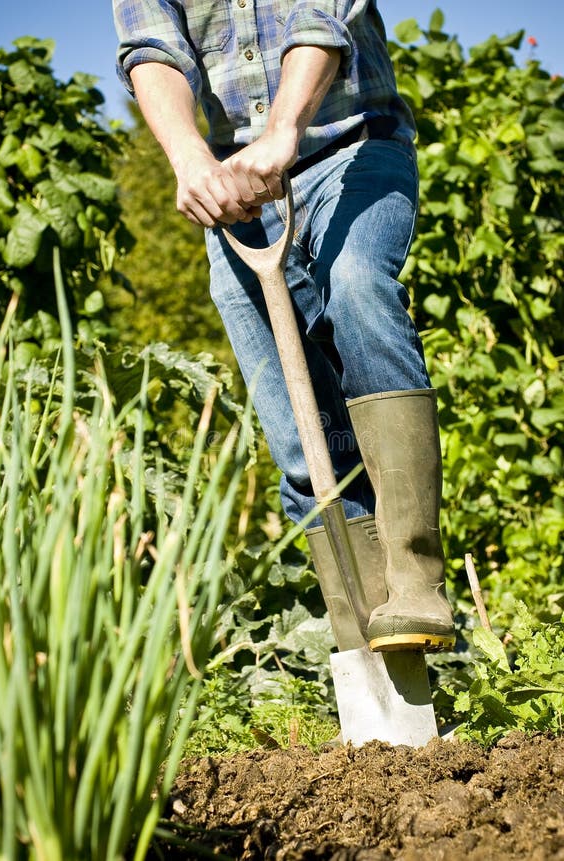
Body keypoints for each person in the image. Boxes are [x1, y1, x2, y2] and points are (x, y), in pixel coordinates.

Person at [112, 0, 455, 654]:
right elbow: (152, 47)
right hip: (234, 191)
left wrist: (281, 129)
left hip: (352, 148)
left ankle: (415, 583)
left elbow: (320, 17)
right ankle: (366, 635)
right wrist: (190, 158)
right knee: (301, 439)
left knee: (356, 285)